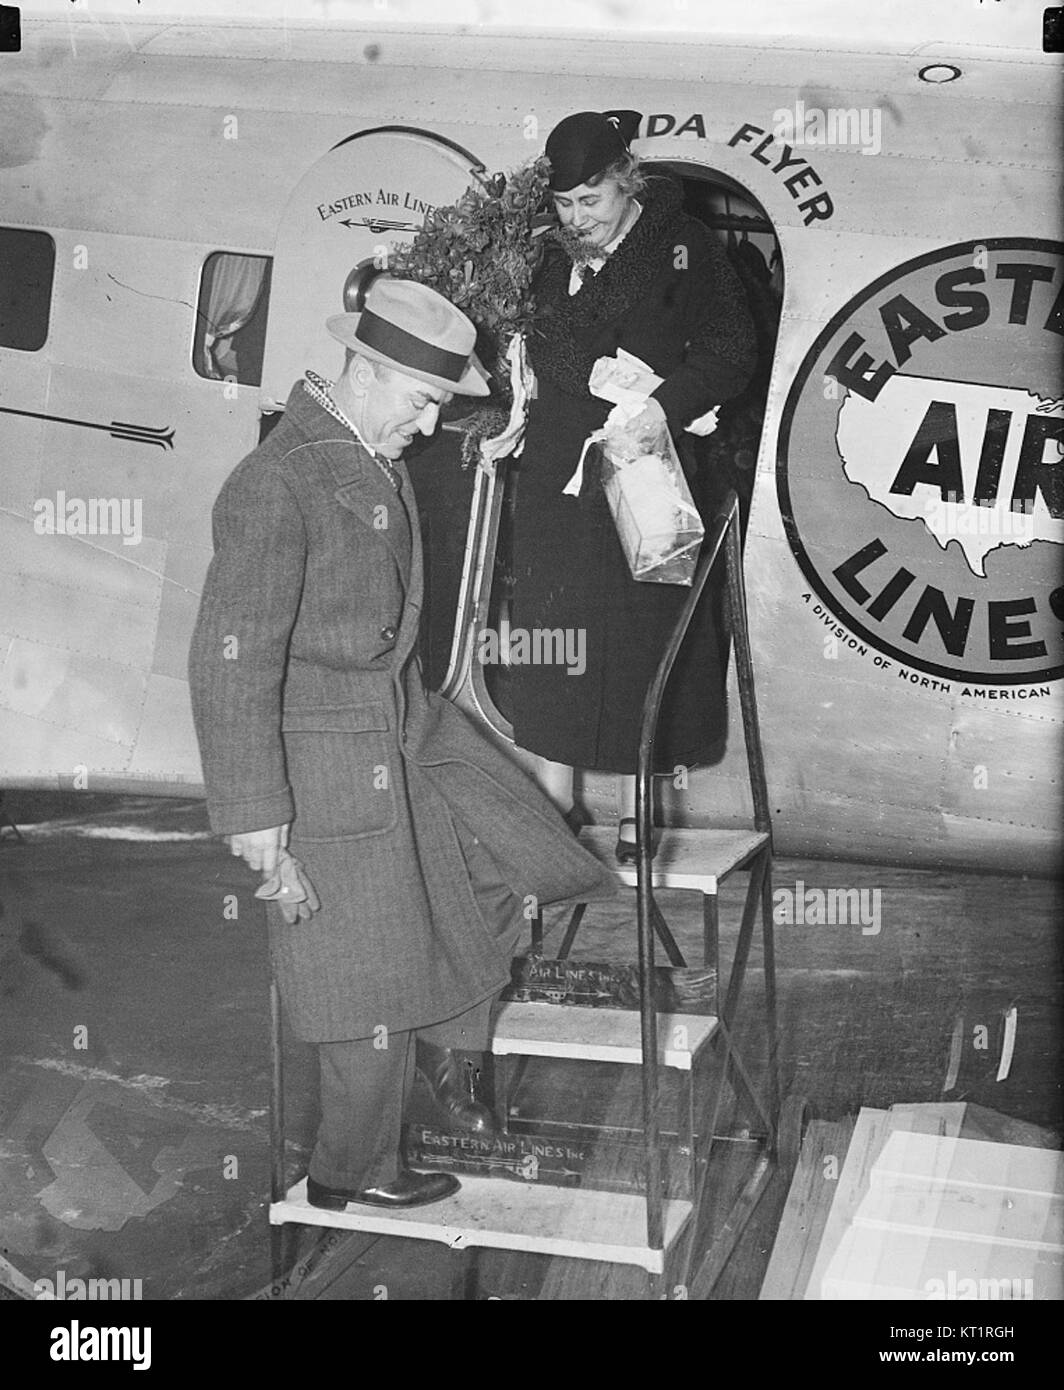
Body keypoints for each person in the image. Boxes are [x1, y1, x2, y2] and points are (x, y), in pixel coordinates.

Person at [188, 277, 615, 1211]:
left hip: (407, 732)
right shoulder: (278, 482)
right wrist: (257, 817)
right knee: (358, 986)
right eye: (422, 400)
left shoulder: (367, 452)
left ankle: (456, 1071)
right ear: (370, 371)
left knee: (506, 865)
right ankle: (354, 1173)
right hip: (326, 768)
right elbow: (231, 659)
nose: (427, 425)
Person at [507, 111, 758, 858]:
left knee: (641, 638)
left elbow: (731, 352)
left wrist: (660, 405)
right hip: (560, 470)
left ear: (626, 181)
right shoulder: (550, 254)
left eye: (592, 201)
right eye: (564, 206)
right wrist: (581, 374)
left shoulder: (687, 251)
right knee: (557, 638)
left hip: (652, 468)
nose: (578, 220)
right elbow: (536, 335)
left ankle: (634, 812)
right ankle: (553, 806)